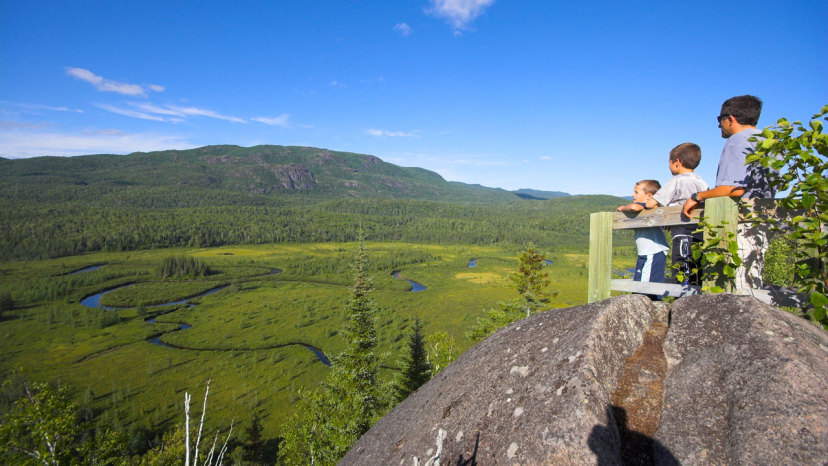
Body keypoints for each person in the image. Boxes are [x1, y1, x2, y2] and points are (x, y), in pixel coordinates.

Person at [682, 95, 774, 293]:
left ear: (730, 119)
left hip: (740, 222)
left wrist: (697, 197)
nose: (719, 125)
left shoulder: (738, 141)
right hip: (762, 219)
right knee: (751, 277)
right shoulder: (768, 141)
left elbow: (733, 188)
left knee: (735, 282)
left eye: (720, 119)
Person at [638, 143, 709, 285]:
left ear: (677, 162)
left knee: (682, 270)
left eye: (669, 162)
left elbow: (653, 203)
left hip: (683, 233)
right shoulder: (702, 182)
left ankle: (682, 296)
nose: (669, 165)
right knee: (697, 271)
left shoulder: (677, 181)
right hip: (701, 232)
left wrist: (640, 205)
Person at [618, 180, 669, 300]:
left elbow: (634, 207)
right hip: (649, 253)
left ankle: (648, 310)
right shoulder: (646, 209)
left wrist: (622, 208)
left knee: (642, 291)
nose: (633, 195)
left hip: (652, 252)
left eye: (636, 192)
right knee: (645, 286)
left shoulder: (645, 207)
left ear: (649, 196)